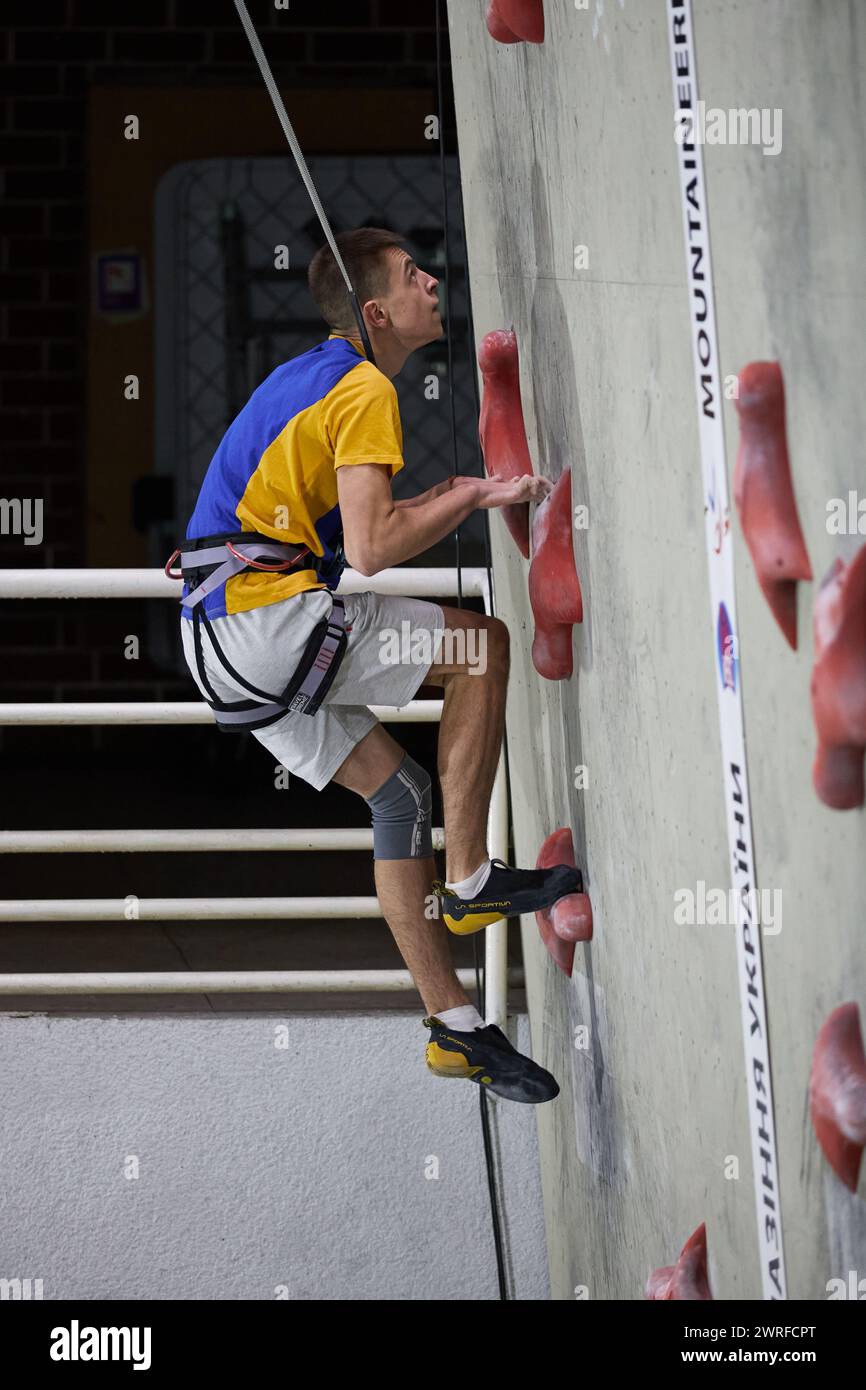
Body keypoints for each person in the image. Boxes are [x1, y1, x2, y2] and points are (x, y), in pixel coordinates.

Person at [179, 227, 580, 1103]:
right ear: (376, 312)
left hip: (220, 645)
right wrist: (468, 499)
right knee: (482, 649)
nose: (432, 281)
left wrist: (475, 492)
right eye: (411, 275)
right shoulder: (363, 388)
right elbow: (371, 546)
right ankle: (470, 879)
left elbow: (377, 516)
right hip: (269, 622)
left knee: (399, 799)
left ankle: (455, 1030)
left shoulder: (314, 378)